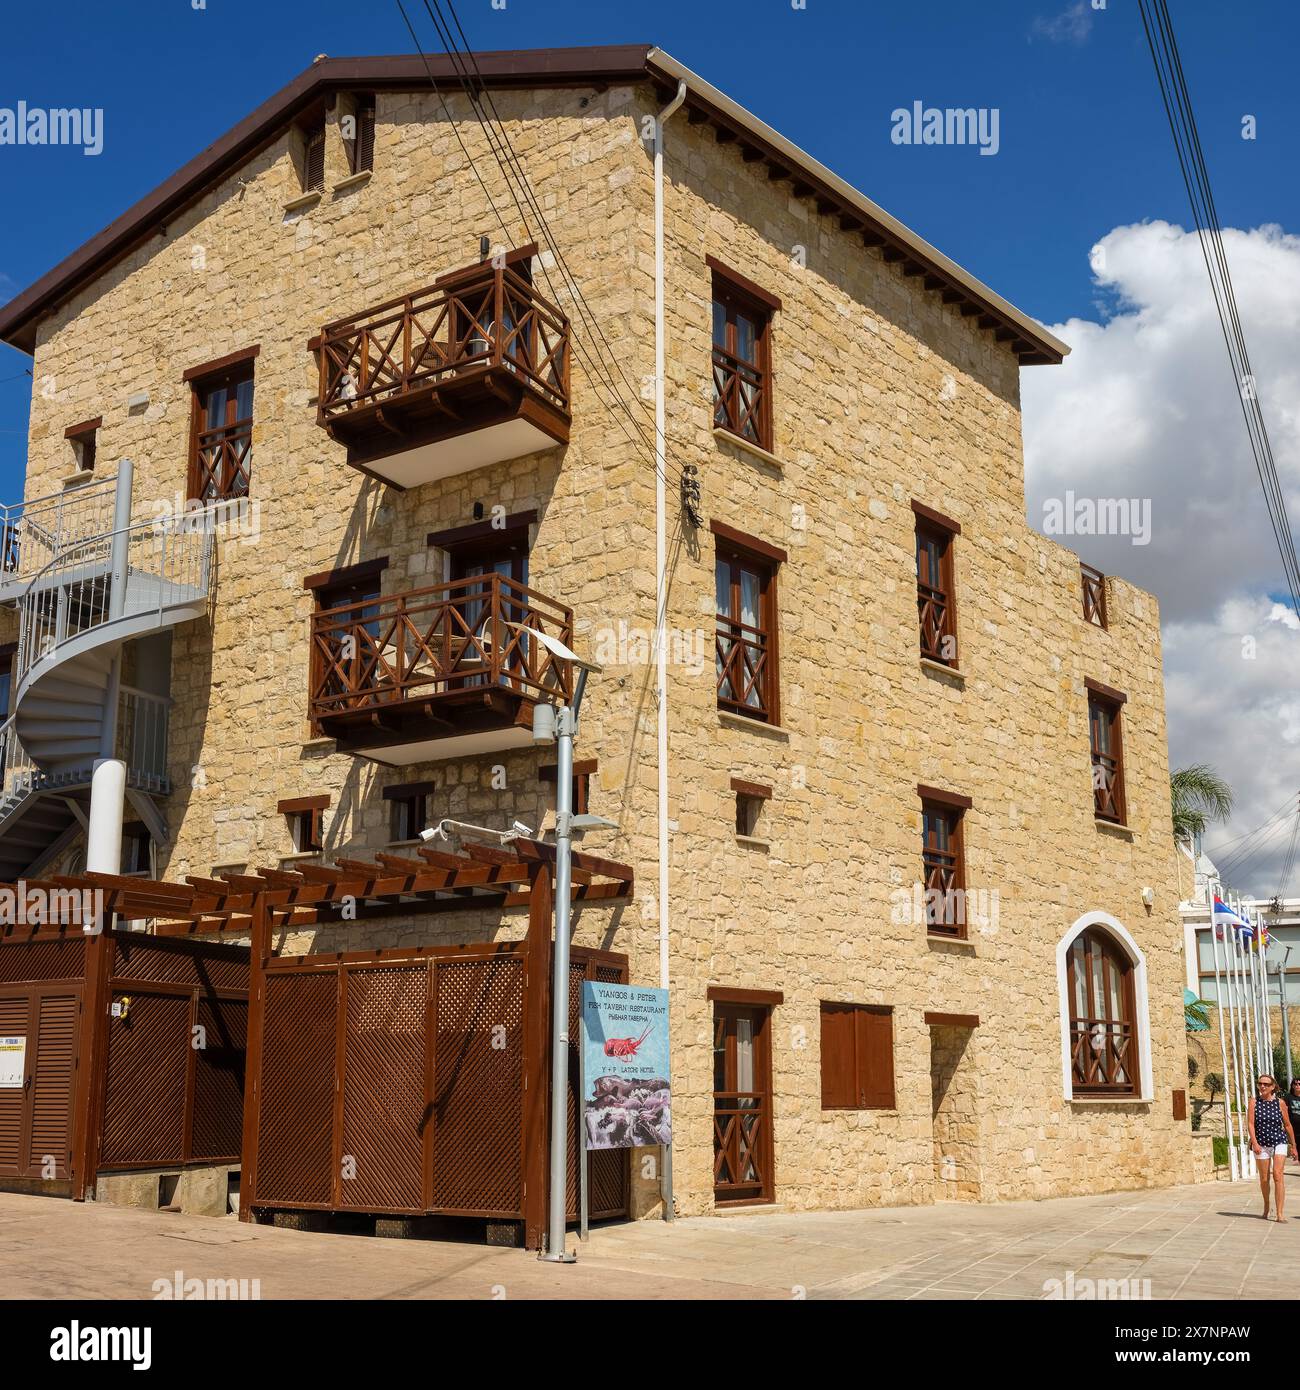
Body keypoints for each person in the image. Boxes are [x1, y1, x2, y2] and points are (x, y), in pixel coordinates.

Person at [1248, 1074, 1297, 1221]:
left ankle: (1280, 1214)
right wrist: (1255, 1143)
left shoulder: (1280, 1103)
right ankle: (1267, 1206)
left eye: (1266, 1084)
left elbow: (1287, 1125)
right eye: (1260, 1084)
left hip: (1279, 1141)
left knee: (1277, 1175)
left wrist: (1293, 1146)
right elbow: (1250, 1124)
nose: (1262, 1086)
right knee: (1264, 1179)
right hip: (1261, 1143)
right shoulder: (1254, 1102)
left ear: (1273, 1087)